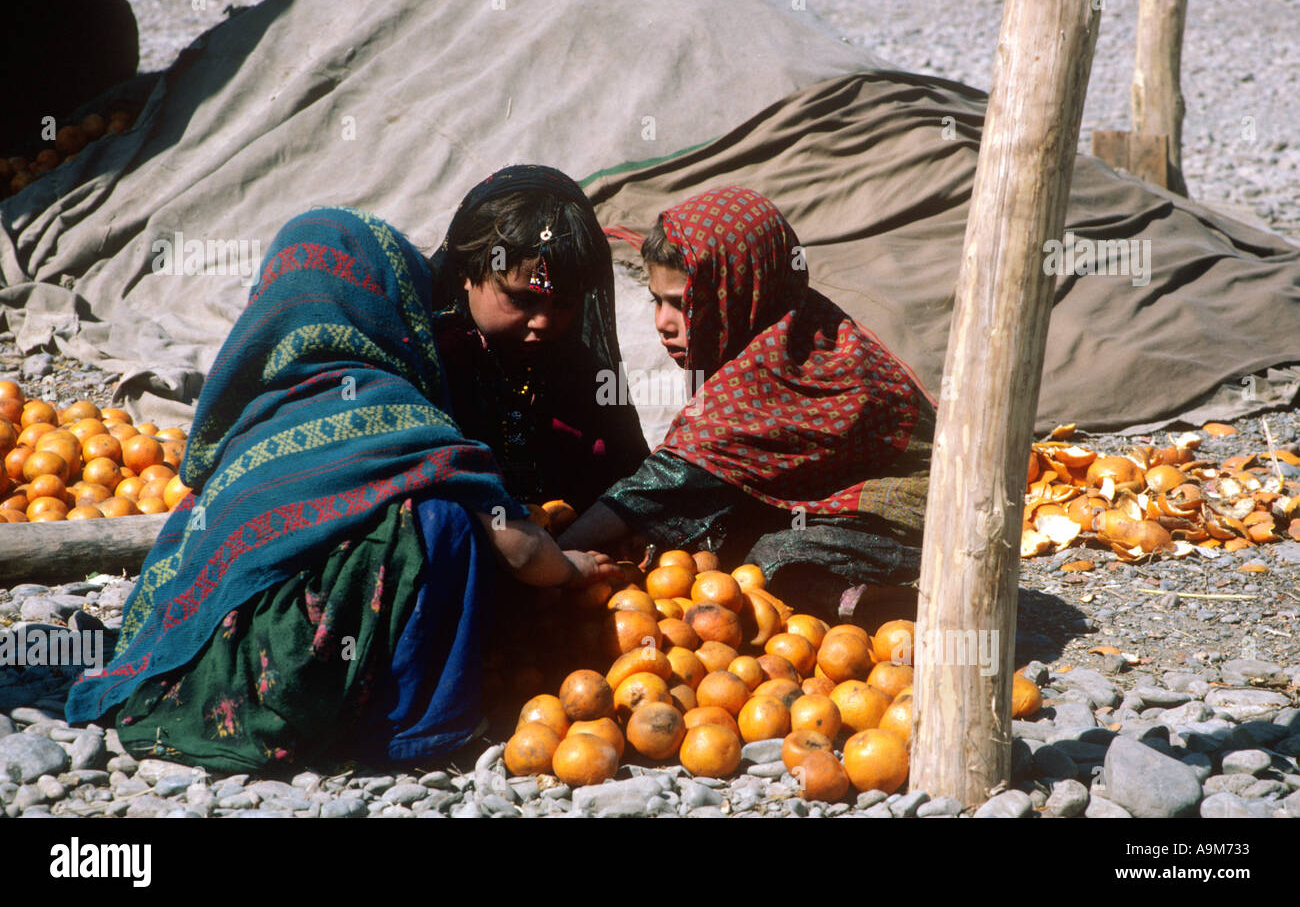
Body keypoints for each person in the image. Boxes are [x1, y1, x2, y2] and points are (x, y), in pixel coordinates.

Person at [64, 165, 648, 773]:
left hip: (216, 653)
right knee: (444, 519)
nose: (544, 322)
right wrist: (572, 564)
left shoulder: (268, 412)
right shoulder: (392, 410)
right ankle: (408, 731)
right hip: (293, 671)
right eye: (524, 299)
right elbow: (518, 546)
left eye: (563, 303)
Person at [559, 186, 937, 619]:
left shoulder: (772, 369)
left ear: (736, 289)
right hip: (828, 500)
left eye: (682, 304)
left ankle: (875, 606)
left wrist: (555, 552)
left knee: (769, 556)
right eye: (655, 300)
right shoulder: (784, 319)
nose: (663, 324)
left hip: (910, 515)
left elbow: (672, 476)